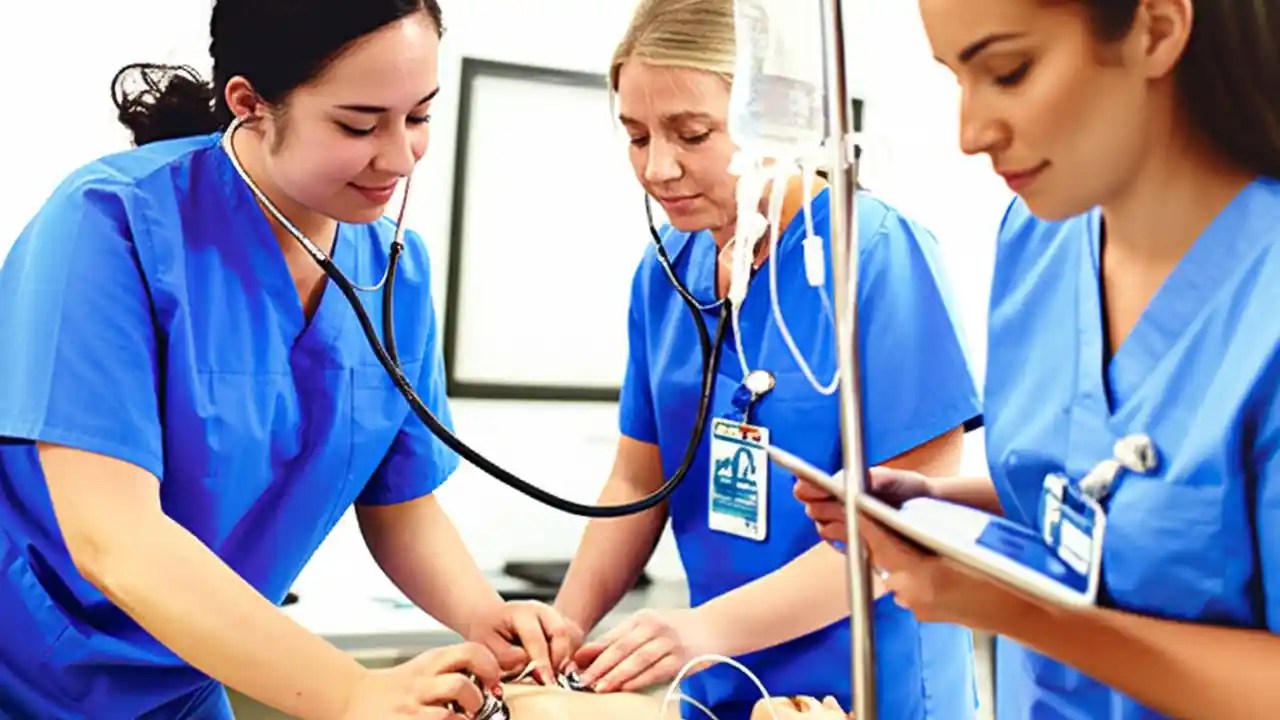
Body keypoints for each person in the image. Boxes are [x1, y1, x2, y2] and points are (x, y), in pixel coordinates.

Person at [0, 1, 579, 718]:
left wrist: (482, 613)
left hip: (187, 676)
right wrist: (352, 692)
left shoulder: (395, 271)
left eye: (420, 117)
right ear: (249, 103)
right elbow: (113, 537)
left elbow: (397, 503)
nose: (399, 157)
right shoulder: (109, 223)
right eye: (359, 124)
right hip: (25, 670)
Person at [796, 0, 1280, 718]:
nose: (970, 134)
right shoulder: (1039, 240)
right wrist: (939, 504)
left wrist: (1014, 610)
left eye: (1009, 72)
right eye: (956, 79)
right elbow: (1098, 481)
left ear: (1156, 28)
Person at [547, 1, 985, 718]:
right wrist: (566, 627)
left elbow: (915, 512)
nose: (658, 167)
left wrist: (704, 629)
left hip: (874, 687)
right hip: (723, 683)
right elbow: (637, 475)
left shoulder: (870, 254)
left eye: (692, 133)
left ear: (768, 117)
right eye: (635, 135)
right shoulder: (666, 274)